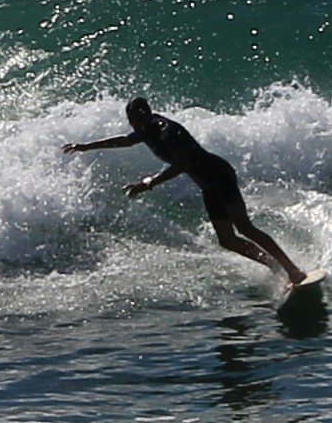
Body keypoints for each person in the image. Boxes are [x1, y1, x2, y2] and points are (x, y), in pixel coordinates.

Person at [66, 94, 314, 292]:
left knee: (244, 227)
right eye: (132, 122)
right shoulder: (145, 130)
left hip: (220, 176)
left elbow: (183, 163)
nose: (135, 127)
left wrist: (149, 182)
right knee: (227, 239)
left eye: (138, 121)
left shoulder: (166, 131)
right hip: (207, 186)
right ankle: (274, 266)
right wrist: (86, 146)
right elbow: (124, 141)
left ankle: (292, 270)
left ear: (148, 115)